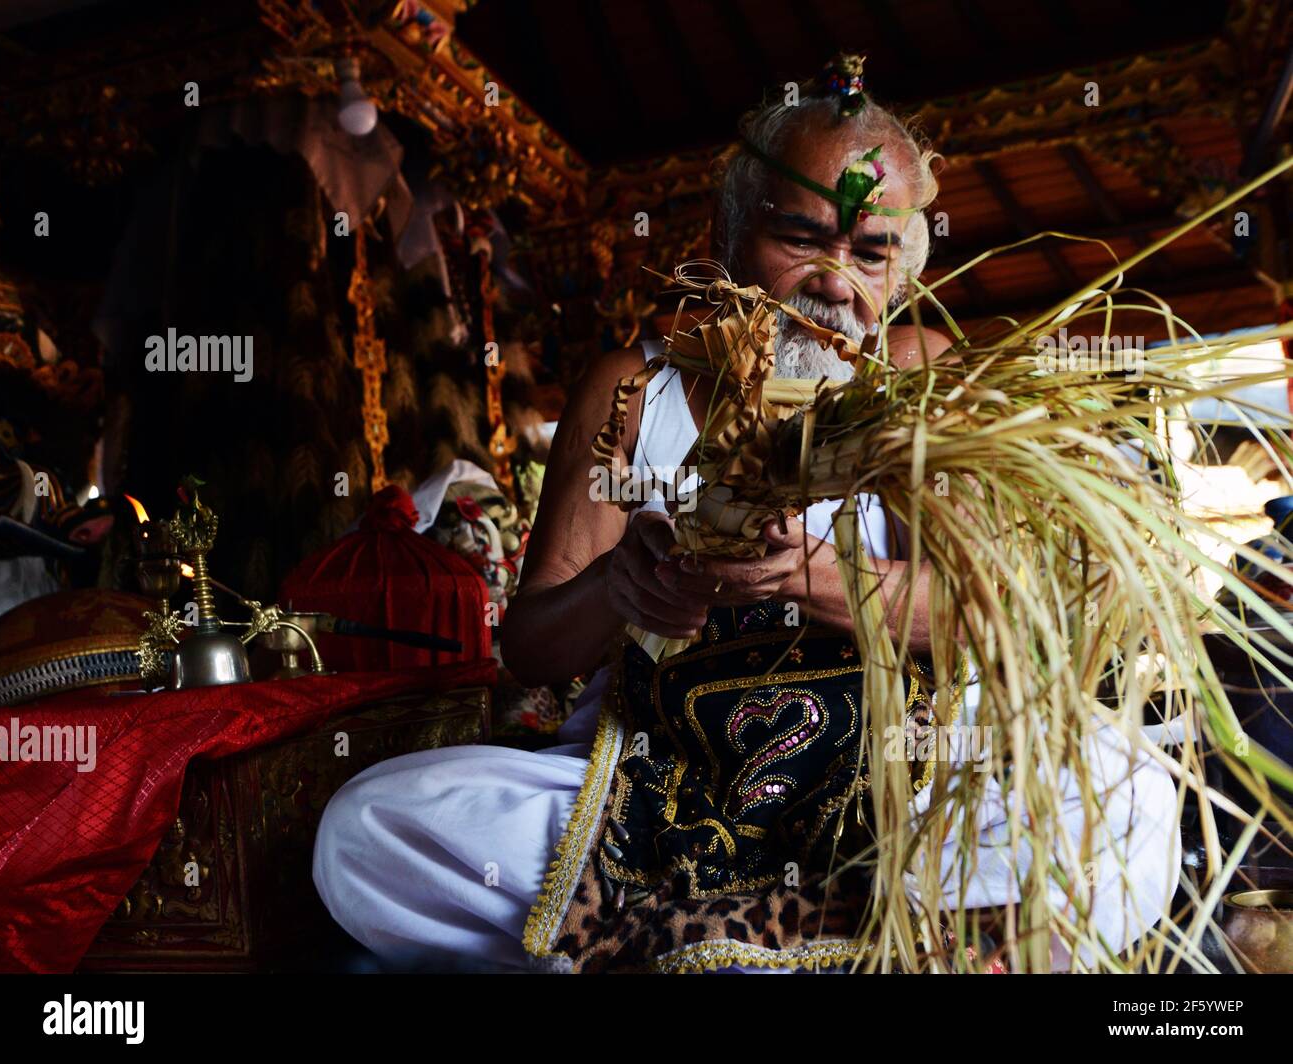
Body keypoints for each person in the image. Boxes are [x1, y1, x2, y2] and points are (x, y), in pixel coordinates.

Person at [313, 57, 1180, 973]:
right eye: (800, 237)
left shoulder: (924, 381)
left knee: (1132, 799)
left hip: (900, 772)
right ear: (729, 237)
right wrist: (623, 584)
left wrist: (815, 577)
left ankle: (735, 948)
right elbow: (532, 646)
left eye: (871, 252)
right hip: (664, 772)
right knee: (368, 832)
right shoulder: (635, 390)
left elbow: (987, 614)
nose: (835, 281)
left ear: (903, 269)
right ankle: (834, 949)